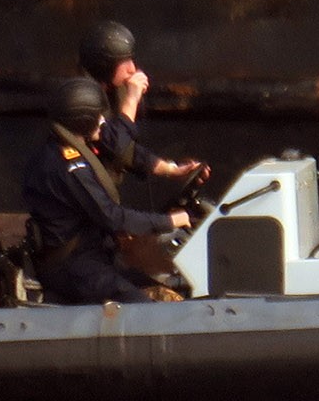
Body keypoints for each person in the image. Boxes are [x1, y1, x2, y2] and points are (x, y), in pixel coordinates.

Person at [22, 75, 194, 305]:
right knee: (146, 310)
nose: (103, 121)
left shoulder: (67, 148)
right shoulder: (68, 166)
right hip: (75, 267)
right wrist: (170, 221)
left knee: (161, 291)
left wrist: (168, 169)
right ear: (83, 121)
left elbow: (119, 145)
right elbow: (112, 217)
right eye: (98, 116)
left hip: (95, 258)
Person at [77, 20, 210, 204]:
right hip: (85, 203)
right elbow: (115, 143)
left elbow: (127, 150)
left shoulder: (114, 91)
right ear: (104, 65)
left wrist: (171, 169)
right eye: (123, 62)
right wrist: (131, 99)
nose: (132, 69)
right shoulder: (81, 101)